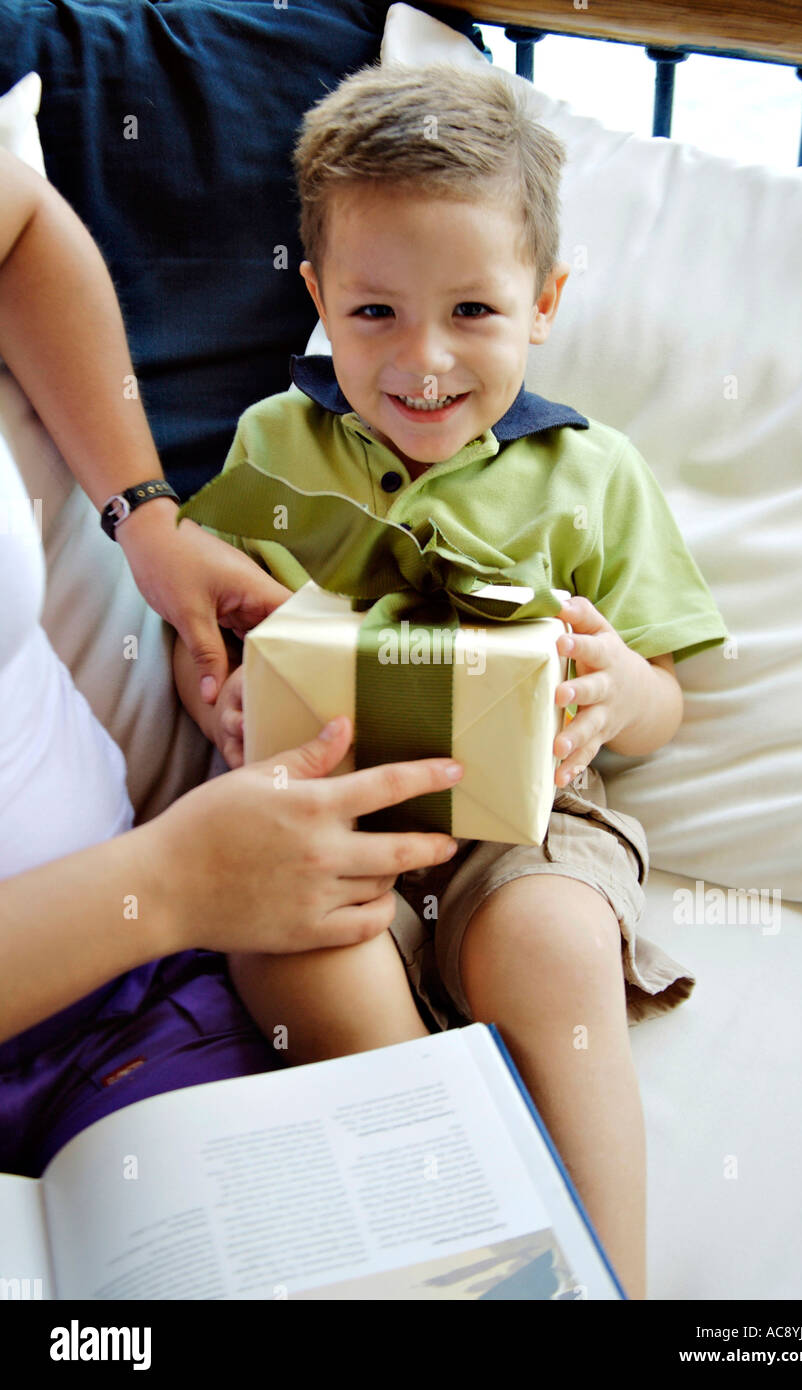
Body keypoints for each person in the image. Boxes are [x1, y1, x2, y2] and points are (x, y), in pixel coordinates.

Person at [172, 62, 728, 1300]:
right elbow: (209, 614)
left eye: (474, 311)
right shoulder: (274, 444)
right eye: (375, 314)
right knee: (301, 956)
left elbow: (668, 697)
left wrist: (613, 684)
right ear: (316, 297)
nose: (423, 361)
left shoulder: (595, 470)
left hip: (529, 812)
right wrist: (213, 688)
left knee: (550, 936)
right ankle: (473, 1246)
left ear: (545, 304)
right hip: (327, 809)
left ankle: (611, 1284)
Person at [0, 144, 462, 1178]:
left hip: (132, 1003)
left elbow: (20, 218)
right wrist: (171, 880)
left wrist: (142, 515)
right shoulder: (277, 443)